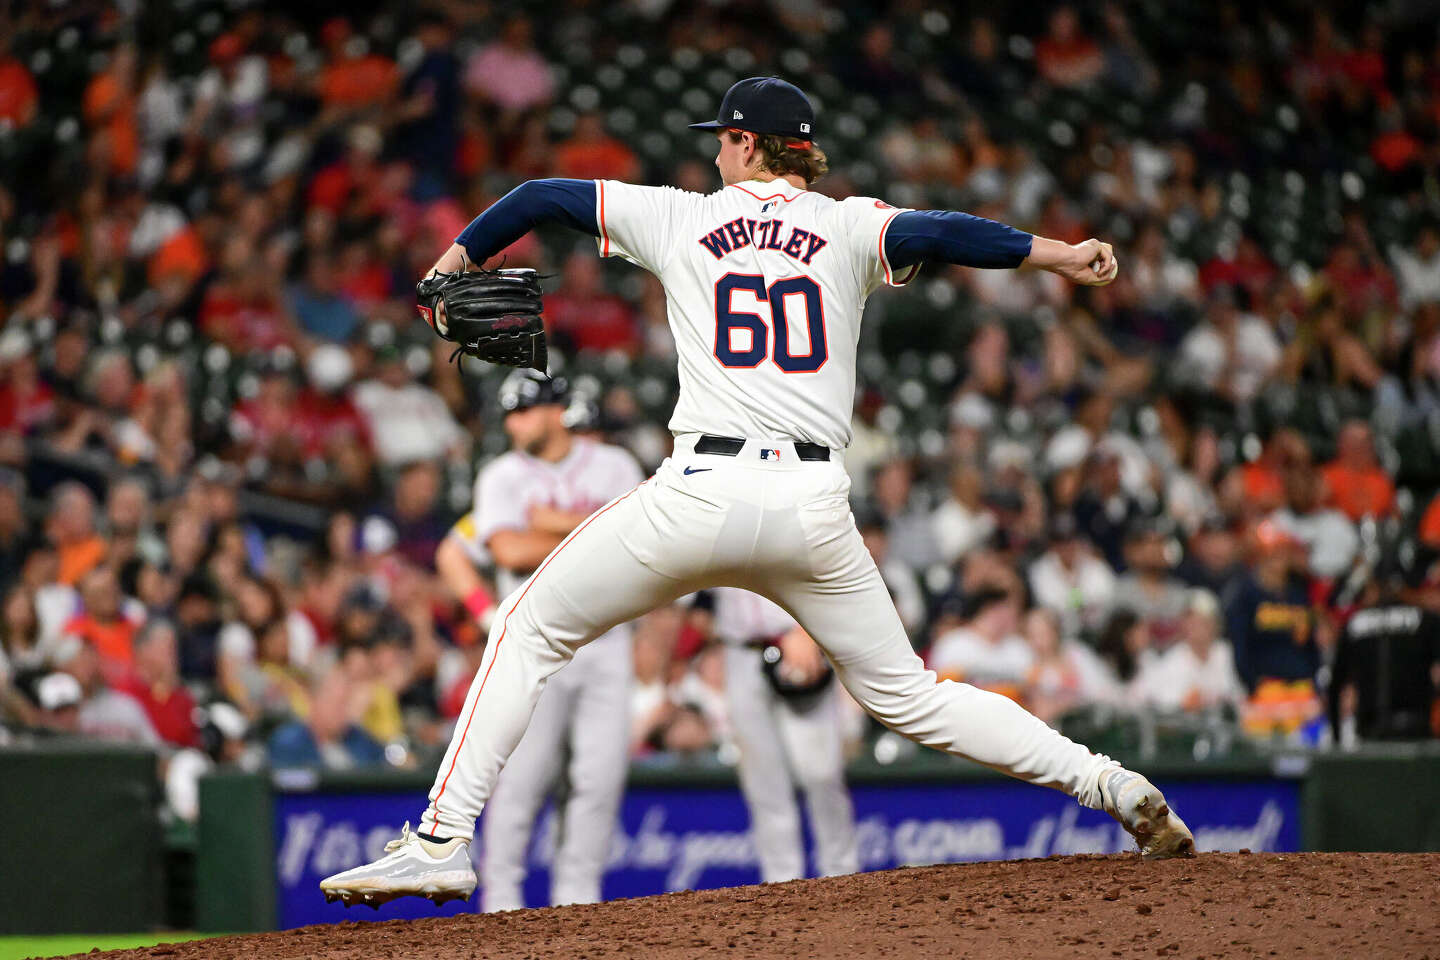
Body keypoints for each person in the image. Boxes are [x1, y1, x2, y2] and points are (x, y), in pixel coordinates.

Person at [321, 76, 1192, 909]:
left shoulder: (679, 216)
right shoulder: (850, 226)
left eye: (723, 141)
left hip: (701, 491)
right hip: (814, 504)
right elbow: (945, 230)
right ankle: (1109, 782)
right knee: (912, 697)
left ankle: (440, 838)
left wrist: (451, 263)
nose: (715, 157)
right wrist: (1060, 255)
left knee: (528, 626)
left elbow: (542, 194)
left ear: (745, 144)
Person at [433, 370, 643, 911]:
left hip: (607, 639)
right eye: (509, 413)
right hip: (538, 643)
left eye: (524, 410)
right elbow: (507, 552)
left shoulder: (615, 465)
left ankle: (580, 896)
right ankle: (501, 898)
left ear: (556, 410)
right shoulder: (500, 474)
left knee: (599, 779)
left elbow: (635, 543)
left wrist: (548, 521)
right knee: (523, 778)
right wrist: (590, 525)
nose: (514, 422)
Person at [703, 587, 858, 883]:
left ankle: (843, 876)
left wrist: (810, 631)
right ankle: (780, 883)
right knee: (763, 782)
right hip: (739, 651)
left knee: (820, 773)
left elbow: (822, 564)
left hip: (799, 642)